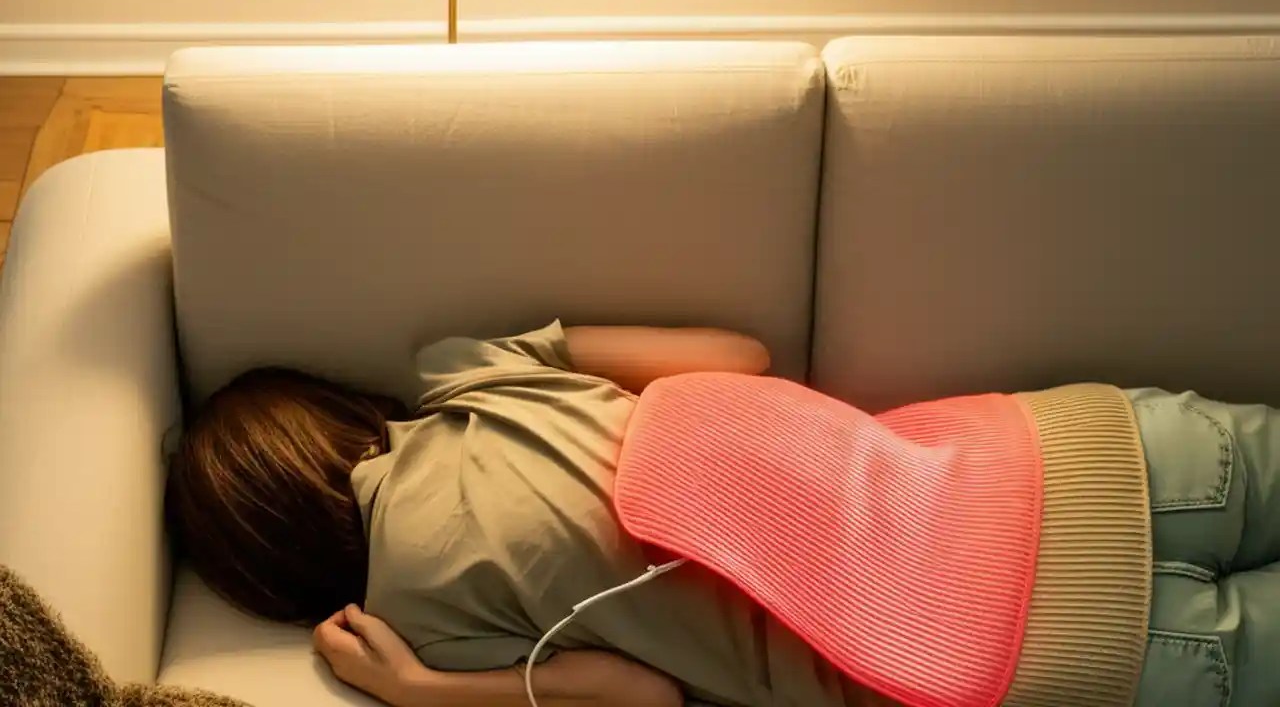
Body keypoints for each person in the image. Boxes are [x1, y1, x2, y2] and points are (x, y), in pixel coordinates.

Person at [166, 321, 1280, 707]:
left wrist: (419, 691)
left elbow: (642, 696)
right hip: (1084, 450)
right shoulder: (464, 375)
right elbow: (739, 357)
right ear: (325, 412)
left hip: (1054, 652)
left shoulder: (418, 625)